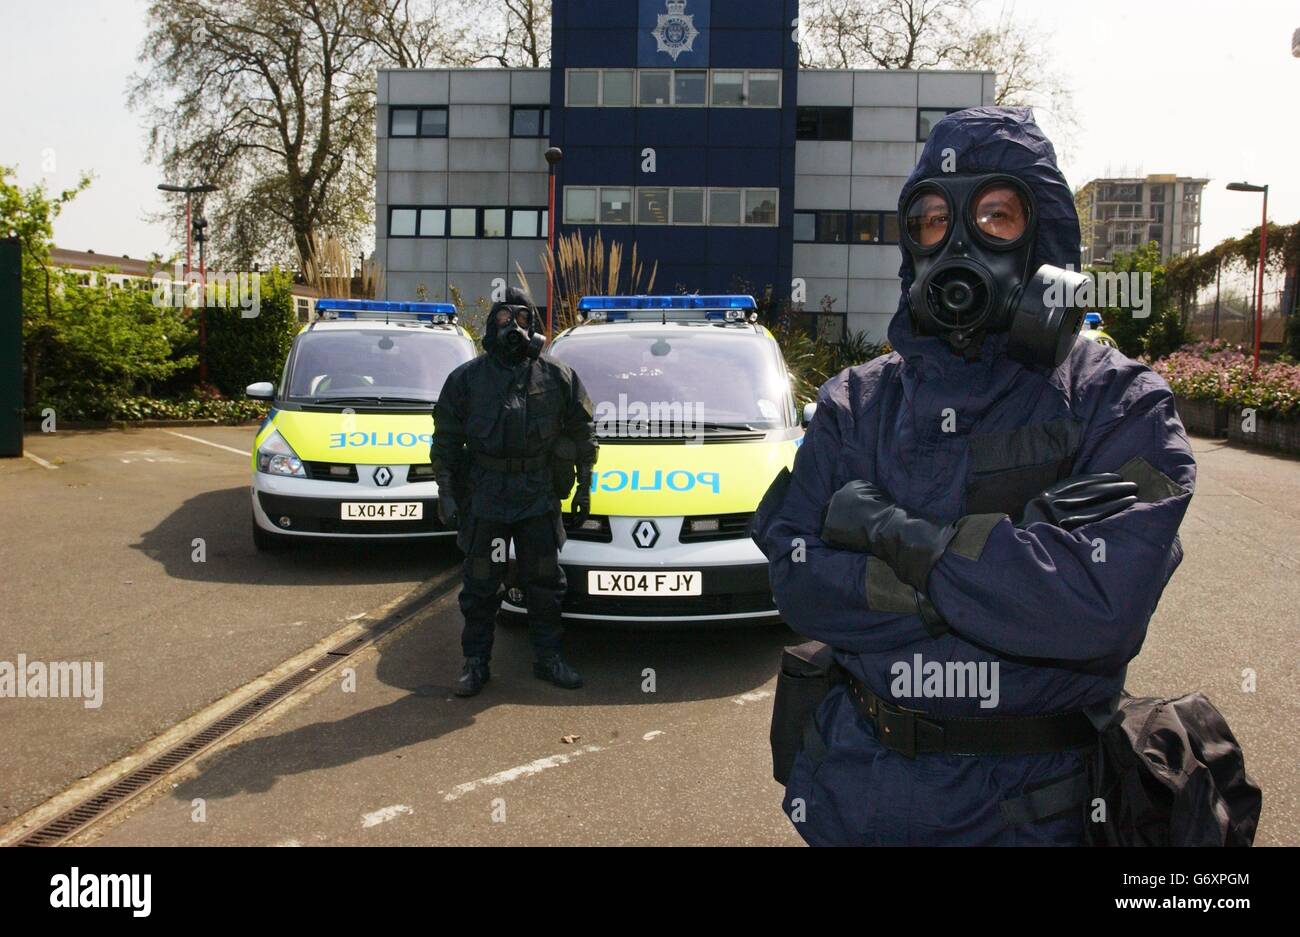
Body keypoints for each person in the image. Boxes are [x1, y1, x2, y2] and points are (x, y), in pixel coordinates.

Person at [754, 107, 1196, 845]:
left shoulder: (1118, 403)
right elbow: (799, 577)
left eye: (995, 215)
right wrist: (999, 569)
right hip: (864, 797)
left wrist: (898, 537)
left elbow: (1098, 607)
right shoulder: (857, 402)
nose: (956, 241)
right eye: (931, 221)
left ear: (1044, 239)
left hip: (1039, 814)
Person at [431, 288, 598, 696]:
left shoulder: (557, 376)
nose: (514, 327)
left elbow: (583, 432)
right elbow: (447, 440)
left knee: (544, 582)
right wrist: (446, 492)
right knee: (480, 583)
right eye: (505, 319)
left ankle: (548, 658)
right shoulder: (467, 379)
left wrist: (584, 487)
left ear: (535, 327)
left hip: (537, 494)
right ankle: (476, 663)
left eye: (522, 319)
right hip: (486, 494)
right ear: (492, 325)